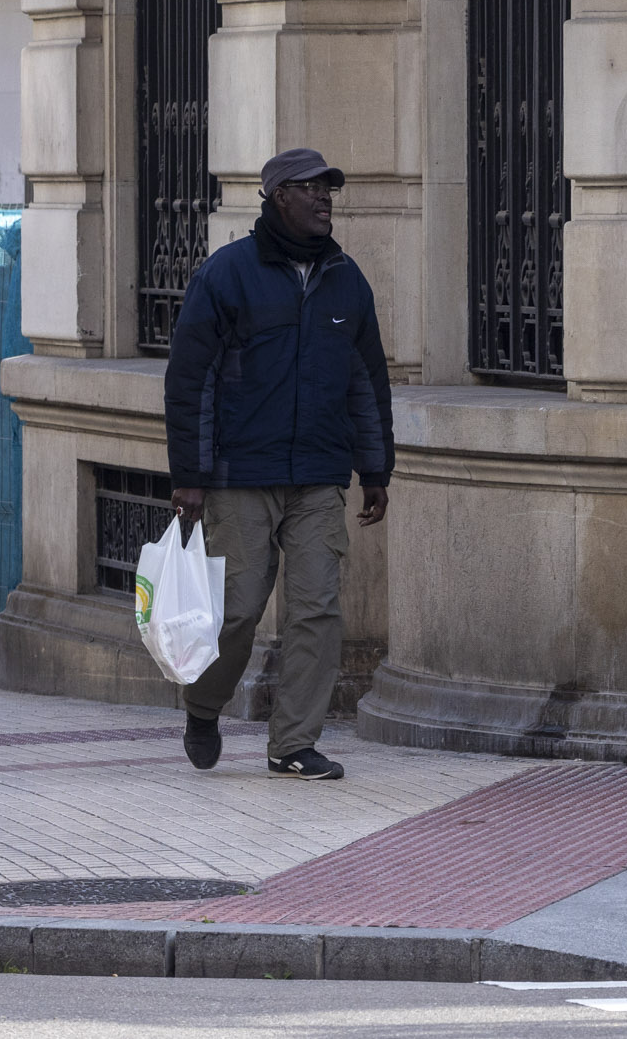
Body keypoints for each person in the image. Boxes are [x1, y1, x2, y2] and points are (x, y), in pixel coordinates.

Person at [163, 148, 391, 781]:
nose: (324, 199)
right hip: (240, 475)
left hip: (318, 475)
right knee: (237, 611)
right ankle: (204, 706)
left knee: (316, 609)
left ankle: (293, 744)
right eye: (310, 189)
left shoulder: (347, 280)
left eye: (329, 190)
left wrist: (375, 470)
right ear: (276, 197)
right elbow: (190, 382)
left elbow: (366, 385)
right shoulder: (227, 276)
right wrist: (190, 477)